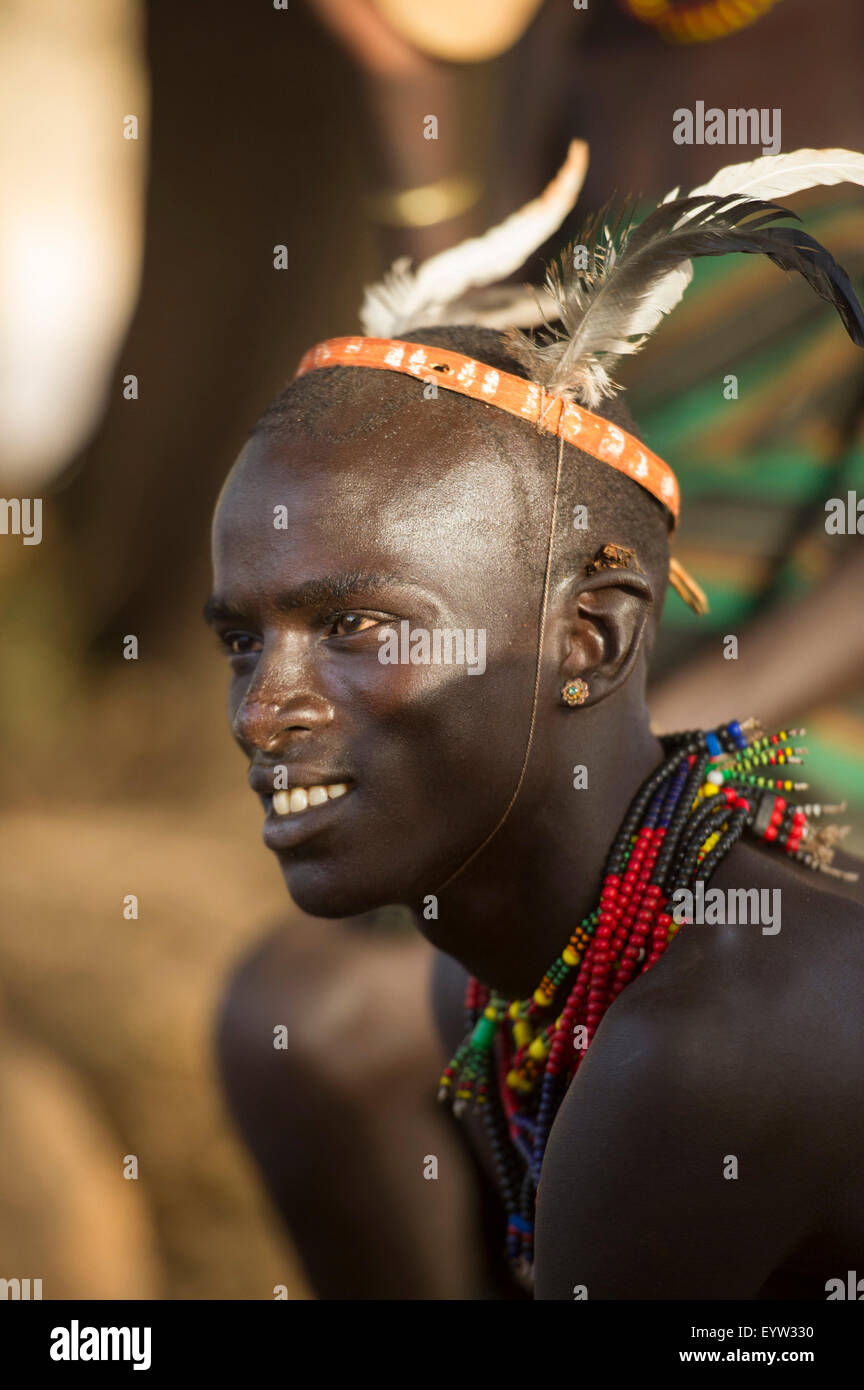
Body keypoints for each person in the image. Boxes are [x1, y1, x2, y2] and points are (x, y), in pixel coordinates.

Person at [208, 150, 864, 1298]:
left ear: (591, 639)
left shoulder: (694, 1053)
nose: (264, 712)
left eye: (358, 625)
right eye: (242, 641)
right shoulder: (528, 985)